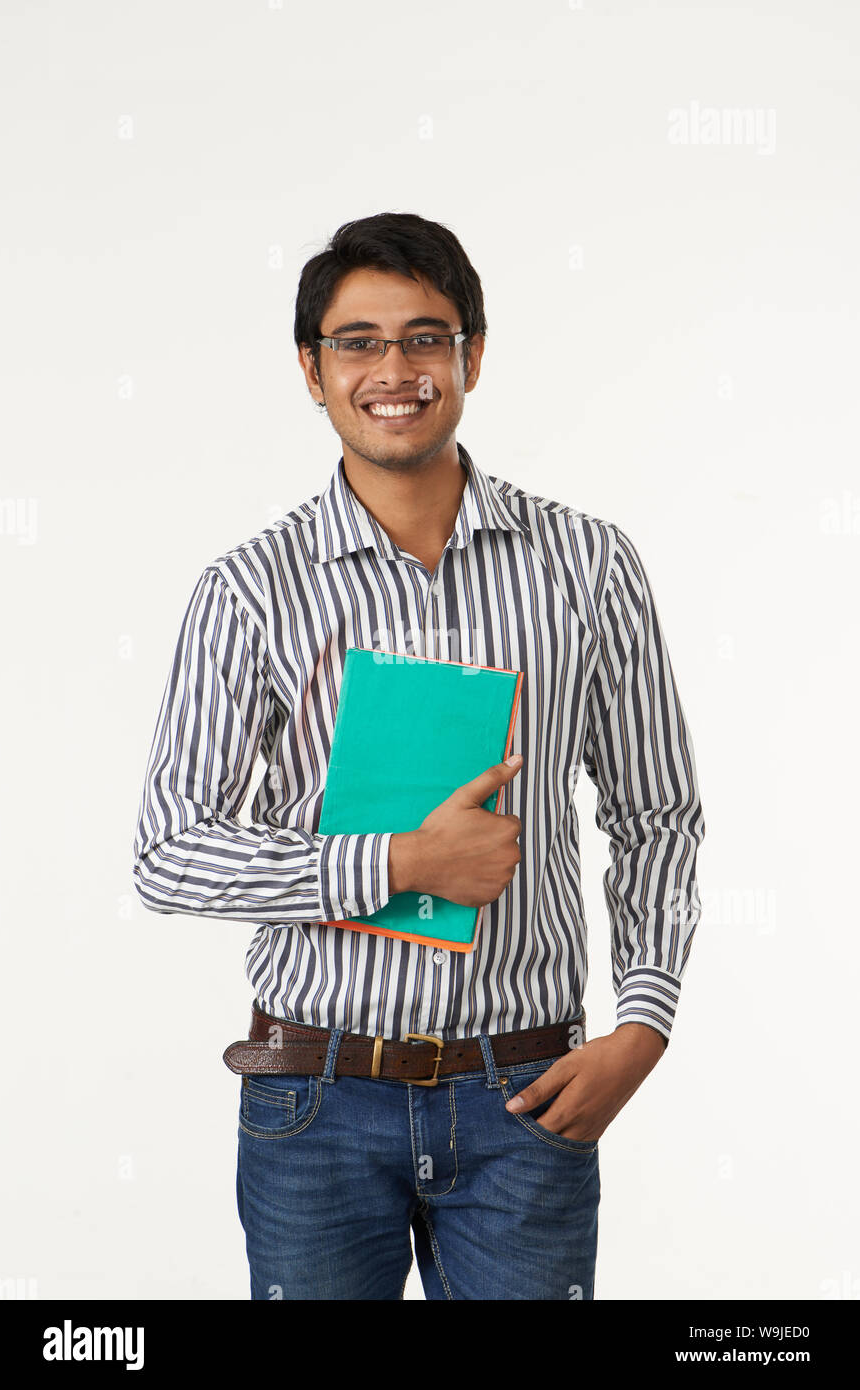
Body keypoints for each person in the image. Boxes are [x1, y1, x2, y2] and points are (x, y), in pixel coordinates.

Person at [132, 211, 705, 1301]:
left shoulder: (588, 563)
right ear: (312, 370)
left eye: (425, 338)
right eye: (357, 342)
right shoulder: (251, 587)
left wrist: (643, 1023)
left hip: (528, 1094)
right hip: (315, 1099)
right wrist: (396, 862)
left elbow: (659, 811)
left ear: (471, 356)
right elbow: (168, 853)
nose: (393, 369)